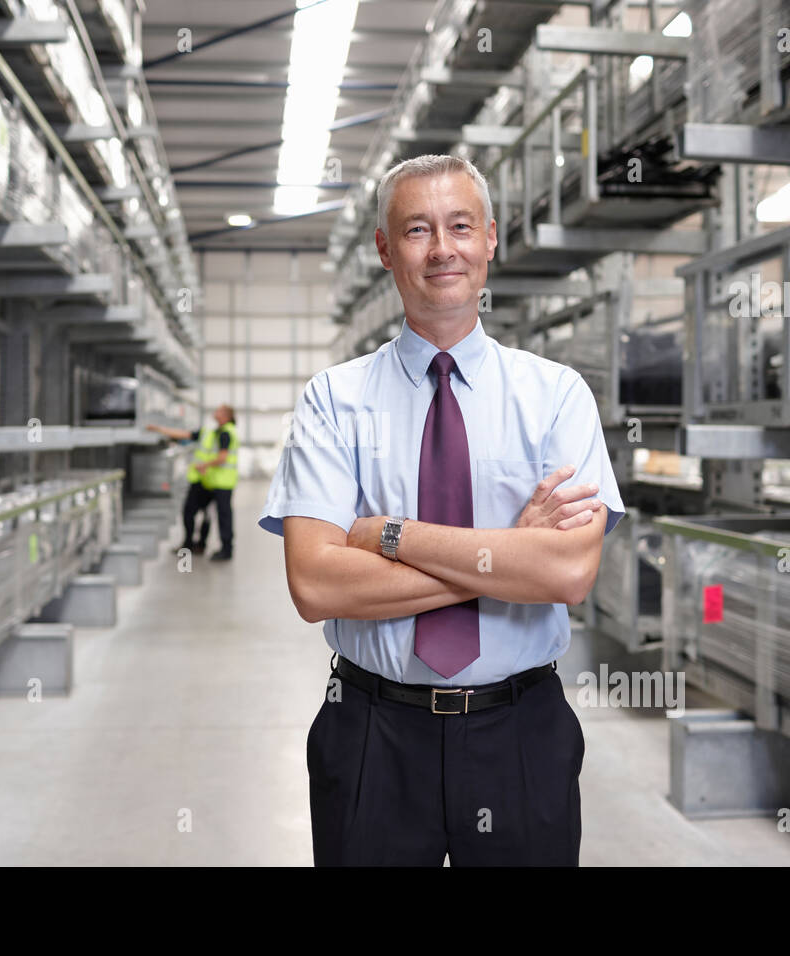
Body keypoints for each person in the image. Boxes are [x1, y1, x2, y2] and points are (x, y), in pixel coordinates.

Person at [258, 155, 625, 866]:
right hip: (370, 732)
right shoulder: (333, 401)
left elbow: (570, 573)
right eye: (418, 230)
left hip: (521, 733)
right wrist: (508, 554)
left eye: (460, 226)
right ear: (385, 249)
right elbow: (316, 585)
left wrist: (390, 535)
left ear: (490, 238)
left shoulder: (556, 396)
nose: (442, 249)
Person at [147, 404, 239, 561]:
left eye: (219, 411)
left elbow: (223, 457)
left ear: (227, 416)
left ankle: (226, 550)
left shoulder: (226, 433)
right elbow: (185, 434)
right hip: (207, 480)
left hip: (222, 482)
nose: (215, 412)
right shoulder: (210, 432)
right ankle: (192, 544)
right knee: (192, 511)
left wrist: (204, 465)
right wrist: (159, 429)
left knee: (223, 515)